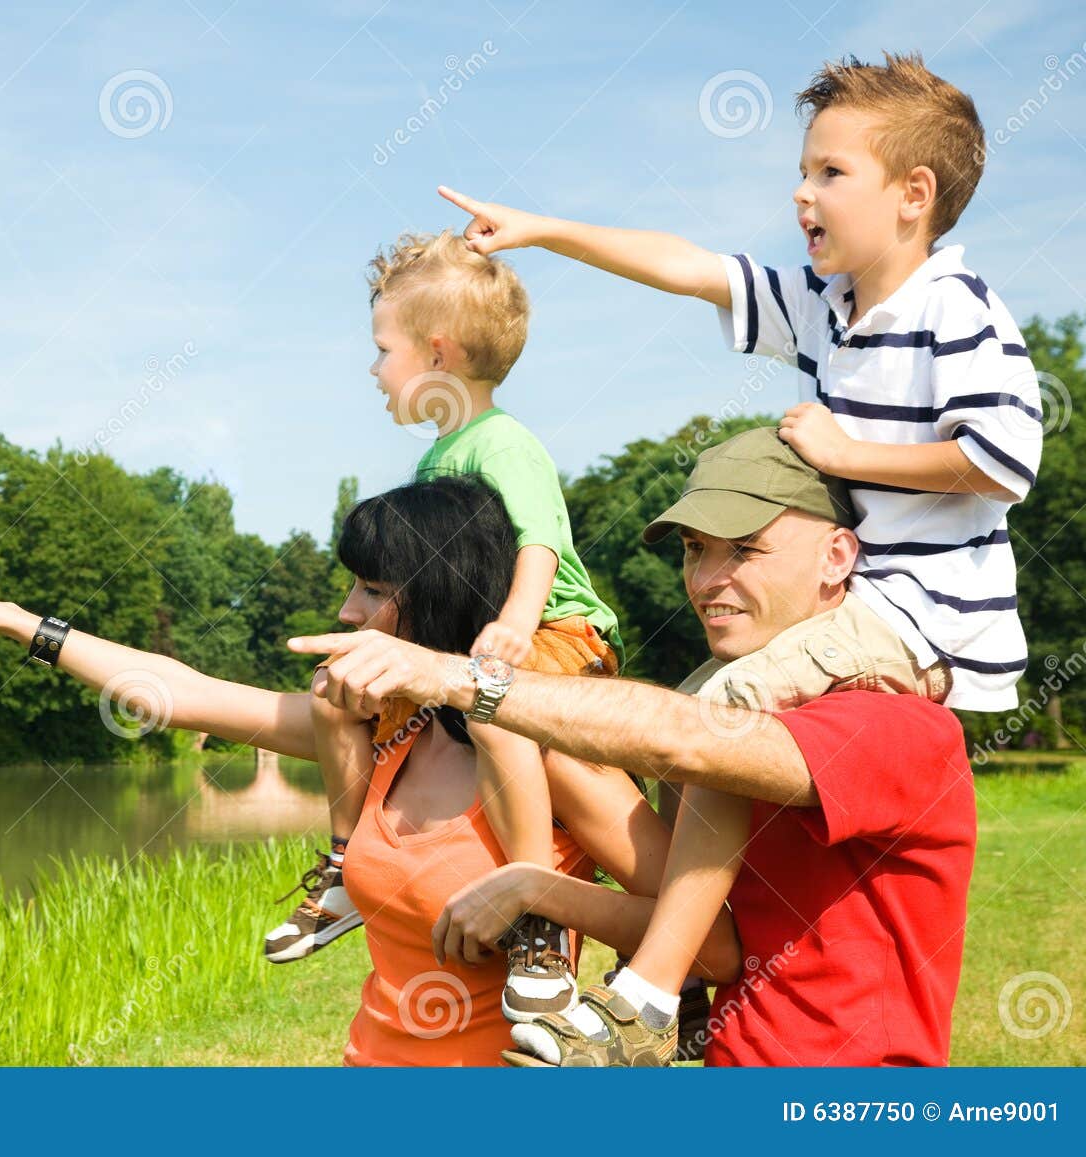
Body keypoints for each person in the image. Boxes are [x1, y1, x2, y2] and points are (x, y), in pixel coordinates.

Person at [432, 51, 1040, 1059]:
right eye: (802, 171)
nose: (802, 194)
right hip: (863, 598)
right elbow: (689, 266)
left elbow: (1003, 457)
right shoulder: (828, 302)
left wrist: (846, 452)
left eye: (830, 172)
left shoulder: (955, 308)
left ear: (913, 194)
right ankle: (683, 953)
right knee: (678, 720)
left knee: (712, 722)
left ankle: (647, 988)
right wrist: (542, 229)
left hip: (920, 613)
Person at [0, 475, 635, 1066]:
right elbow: (181, 693)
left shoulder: (546, 751)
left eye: (372, 589)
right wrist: (11, 619)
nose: (347, 610)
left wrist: (538, 893)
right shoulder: (386, 732)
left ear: (437, 595)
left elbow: (692, 935)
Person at [293, 427, 979, 1067]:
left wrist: (455, 676)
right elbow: (720, 927)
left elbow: (686, 739)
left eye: (744, 550)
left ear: (837, 557)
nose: (705, 581)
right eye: (695, 550)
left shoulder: (892, 726)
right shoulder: (743, 710)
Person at [270, 229, 624, 1029]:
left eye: (381, 349)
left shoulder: (502, 442)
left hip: (556, 629)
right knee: (330, 694)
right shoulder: (439, 459)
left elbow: (538, 543)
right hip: (469, 642)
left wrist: (512, 628)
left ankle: (536, 913)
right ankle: (345, 863)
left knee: (491, 714)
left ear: (436, 354)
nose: (372, 369)